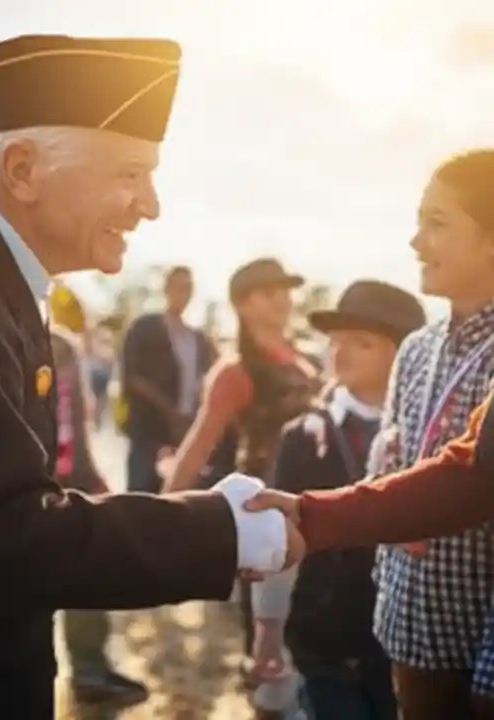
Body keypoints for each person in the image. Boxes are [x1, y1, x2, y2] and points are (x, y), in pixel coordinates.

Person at [0, 34, 300, 718]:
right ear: (24, 169)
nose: (149, 204)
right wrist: (225, 529)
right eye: (129, 173)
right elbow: (10, 539)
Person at [245, 148, 494, 719]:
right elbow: (395, 470)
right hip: (406, 625)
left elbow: (471, 476)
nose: (415, 242)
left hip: (476, 633)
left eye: (437, 223)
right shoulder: (417, 348)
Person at [249, 280, 425, 720]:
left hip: (410, 643)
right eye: (335, 341)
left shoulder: (430, 437)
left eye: (361, 343)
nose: (340, 352)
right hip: (323, 639)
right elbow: (278, 543)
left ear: (406, 355)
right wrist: (268, 628)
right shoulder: (305, 437)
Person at [158, 257, 325, 669]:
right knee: (269, 633)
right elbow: (199, 445)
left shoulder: (307, 361)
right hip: (266, 510)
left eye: (286, 291)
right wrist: (162, 515)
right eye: (270, 292)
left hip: (316, 505)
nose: (283, 300)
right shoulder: (234, 371)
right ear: (243, 304)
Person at [46, 292, 148, 707]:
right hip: (36, 485)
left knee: (85, 575)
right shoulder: (4, 338)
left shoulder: (61, 347)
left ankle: (89, 670)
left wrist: (92, 475)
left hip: (69, 481)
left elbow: (72, 424)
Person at [120, 265, 218, 492]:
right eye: (179, 286)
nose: (184, 293)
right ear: (167, 289)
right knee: (141, 495)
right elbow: (133, 377)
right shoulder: (145, 328)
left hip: (185, 430)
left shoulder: (197, 337)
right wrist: (169, 411)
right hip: (149, 429)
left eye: (189, 287)